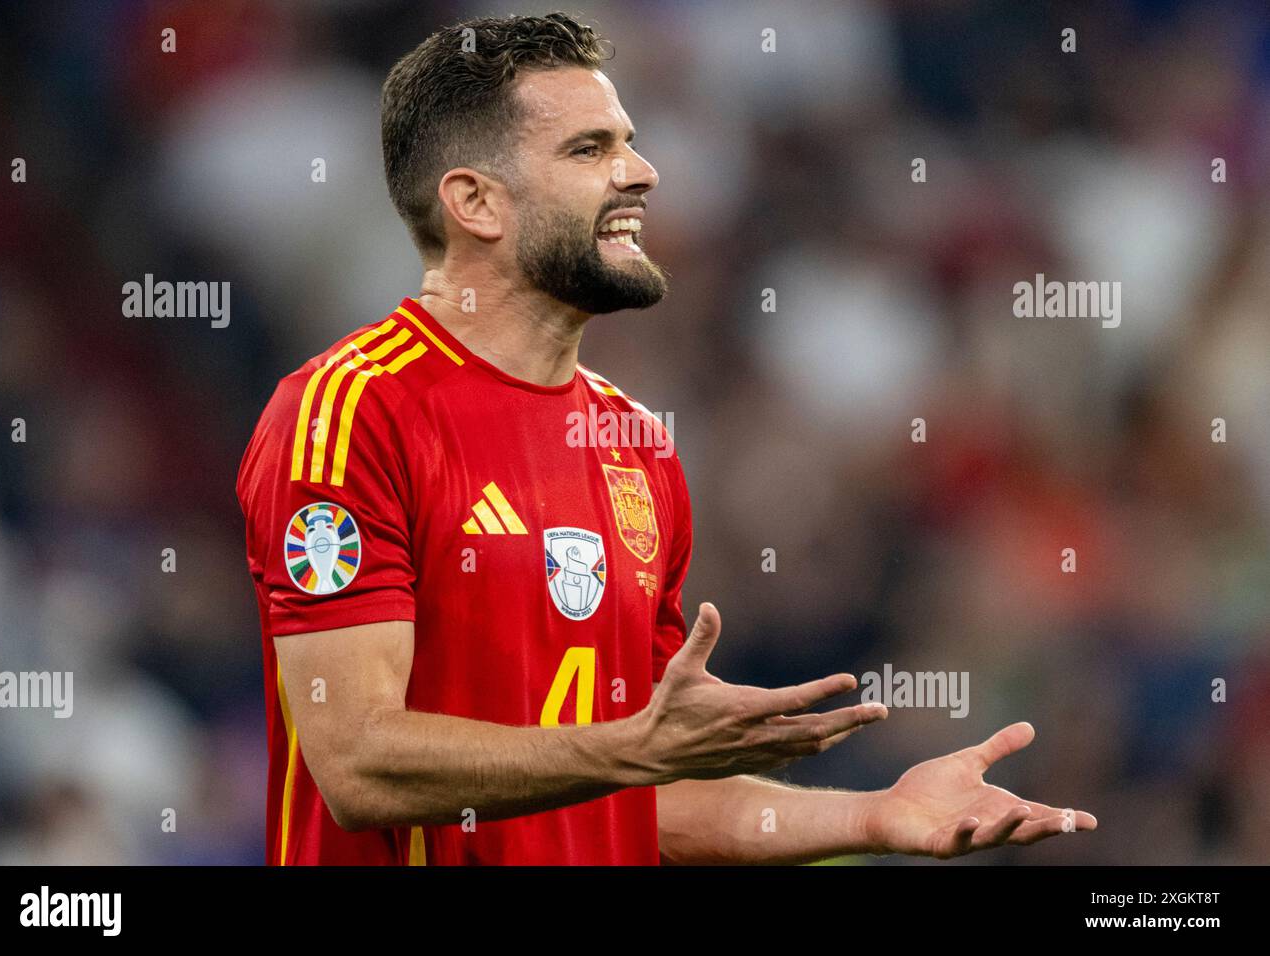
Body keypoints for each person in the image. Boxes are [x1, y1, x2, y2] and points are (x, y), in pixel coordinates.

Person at [236, 12, 1096, 865]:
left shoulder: (634, 443)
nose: (641, 173)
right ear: (475, 203)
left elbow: (651, 795)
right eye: (589, 150)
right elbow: (354, 764)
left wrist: (876, 817)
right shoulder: (348, 416)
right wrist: (630, 750)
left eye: (630, 142)